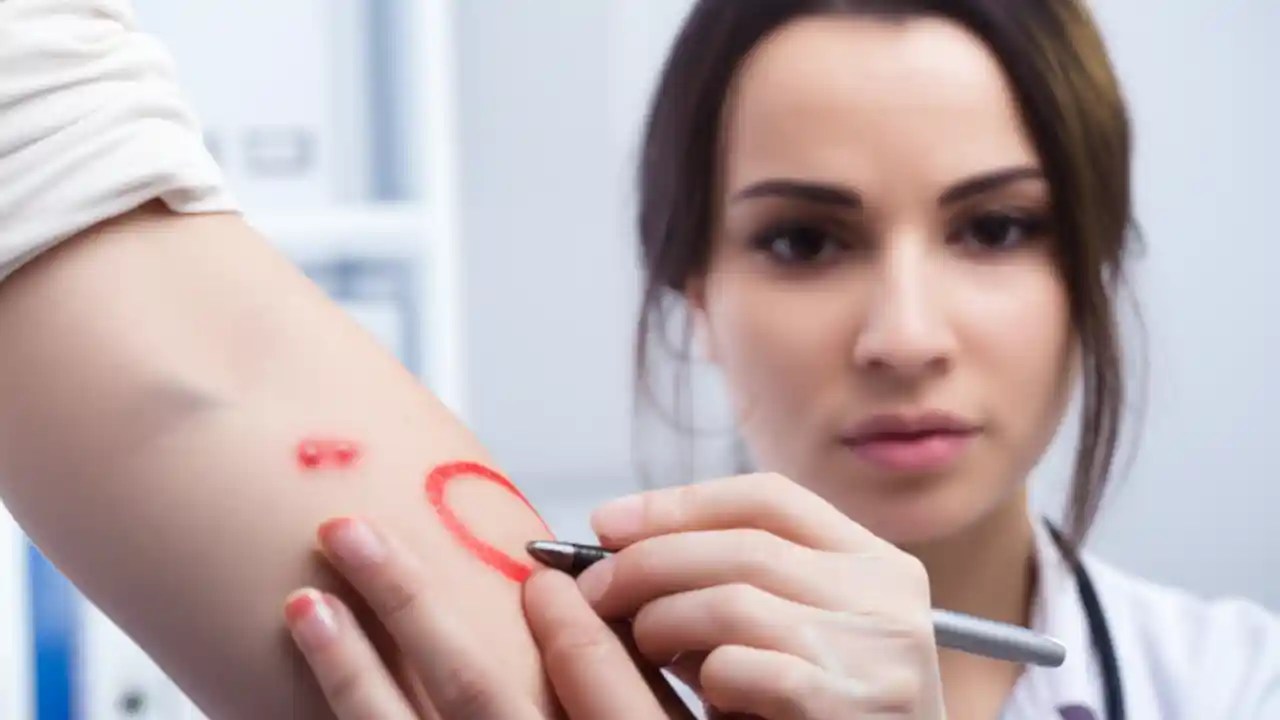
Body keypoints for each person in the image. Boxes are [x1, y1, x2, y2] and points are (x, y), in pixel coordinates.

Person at [0, 1, 1275, 719]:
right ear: (692, 293)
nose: (902, 336)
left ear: (1091, 269)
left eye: (993, 228)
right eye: (801, 239)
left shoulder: (1238, 684)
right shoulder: (489, 656)